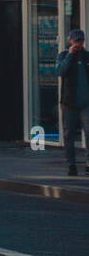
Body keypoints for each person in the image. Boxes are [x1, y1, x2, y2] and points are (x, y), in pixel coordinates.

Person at [55, 28, 89, 177]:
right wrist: (70, 54)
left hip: (86, 102)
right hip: (69, 102)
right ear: (70, 41)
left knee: (88, 132)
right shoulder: (63, 55)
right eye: (76, 40)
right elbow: (60, 72)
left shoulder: (87, 56)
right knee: (68, 134)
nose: (79, 43)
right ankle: (71, 164)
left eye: (81, 40)